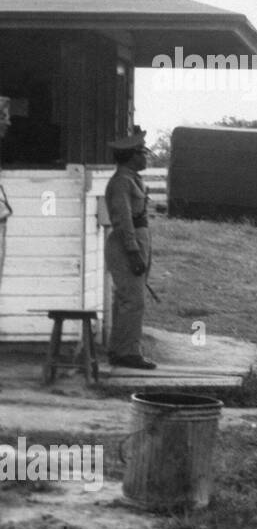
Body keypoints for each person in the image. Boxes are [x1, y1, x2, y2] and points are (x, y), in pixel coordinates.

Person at [104, 130, 156, 369]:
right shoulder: (121, 182)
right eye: (143, 153)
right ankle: (128, 353)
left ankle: (119, 349)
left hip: (138, 240)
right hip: (127, 245)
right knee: (133, 301)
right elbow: (123, 220)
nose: (146, 157)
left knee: (127, 299)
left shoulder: (132, 179)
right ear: (131, 156)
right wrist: (133, 251)